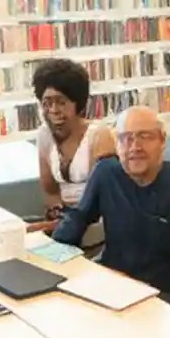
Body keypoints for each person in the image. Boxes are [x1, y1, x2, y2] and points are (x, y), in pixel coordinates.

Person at [52, 106, 170, 315]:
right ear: (117, 145)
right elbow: (79, 217)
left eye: (145, 136)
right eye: (126, 138)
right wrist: (52, 257)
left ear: (162, 141)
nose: (135, 146)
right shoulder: (106, 173)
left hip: (164, 295)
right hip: (113, 280)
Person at [32, 58, 115, 244]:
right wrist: (58, 217)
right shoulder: (44, 136)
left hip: (97, 225)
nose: (53, 110)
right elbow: (50, 192)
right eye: (47, 103)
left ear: (77, 104)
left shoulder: (99, 135)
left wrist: (69, 223)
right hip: (63, 223)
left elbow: (102, 199)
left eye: (61, 102)